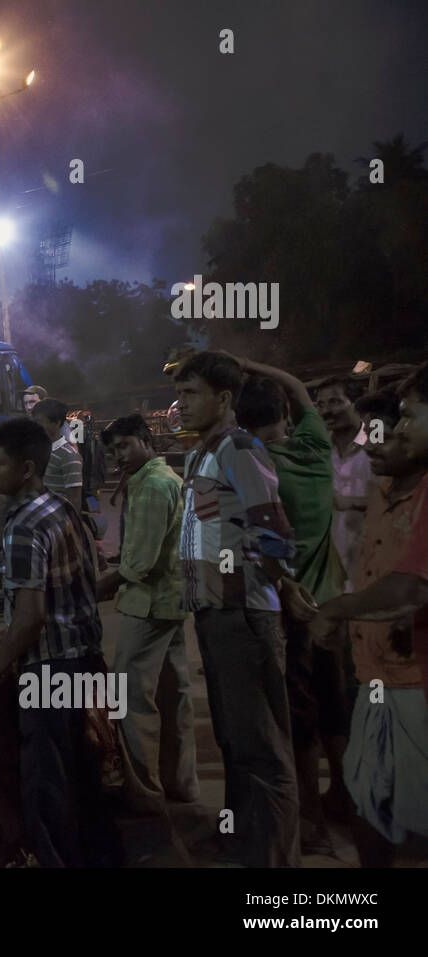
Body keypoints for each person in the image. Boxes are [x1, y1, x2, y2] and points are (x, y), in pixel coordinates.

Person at [0, 417, 121, 867]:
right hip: (86, 659)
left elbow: (33, 616)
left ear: (27, 468)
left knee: (45, 786)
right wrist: (11, 627)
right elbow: (76, 586)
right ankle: (104, 858)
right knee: (86, 775)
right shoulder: (63, 508)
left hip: (49, 669)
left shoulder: (22, 527)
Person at [172, 352, 300, 867]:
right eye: (179, 395)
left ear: (224, 399)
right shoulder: (201, 453)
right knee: (234, 737)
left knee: (261, 747)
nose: (180, 405)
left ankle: (272, 861)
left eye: (192, 394)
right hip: (214, 610)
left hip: (242, 612)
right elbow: (213, 528)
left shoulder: (239, 448)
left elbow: (273, 533)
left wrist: (273, 590)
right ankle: (245, 842)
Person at [309, 364, 428, 866]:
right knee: (369, 800)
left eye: (409, 419)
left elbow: (409, 591)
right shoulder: (387, 492)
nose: (392, 433)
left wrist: (336, 609)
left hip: (418, 681)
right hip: (379, 673)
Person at [234, 357, 349, 855]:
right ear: (285, 414)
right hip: (336, 609)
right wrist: (250, 364)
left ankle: (312, 821)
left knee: (298, 719)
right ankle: (344, 798)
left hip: (292, 610)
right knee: (335, 711)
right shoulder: (316, 448)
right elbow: (301, 387)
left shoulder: (260, 467)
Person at [95, 415, 198, 810]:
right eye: (114, 450)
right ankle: (181, 783)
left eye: (124, 446)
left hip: (150, 603)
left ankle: (143, 792)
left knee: (132, 697)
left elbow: (139, 565)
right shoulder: (158, 479)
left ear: (145, 439)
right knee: (174, 695)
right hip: (170, 600)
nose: (119, 456)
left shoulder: (154, 485)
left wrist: (94, 589)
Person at [317, 375, 372, 593]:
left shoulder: (378, 447)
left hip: (369, 567)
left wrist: (350, 502)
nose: (326, 411)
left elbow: (399, 499)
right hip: (329, 572)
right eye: (321, 404)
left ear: (356, 403)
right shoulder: (318, 450)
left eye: (335, 401)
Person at [31, 399, 84, 514]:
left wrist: (72, 528)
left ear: (56, 423)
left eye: (39, 422)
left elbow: (74, 499)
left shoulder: (69, 456)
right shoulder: (38, 451)